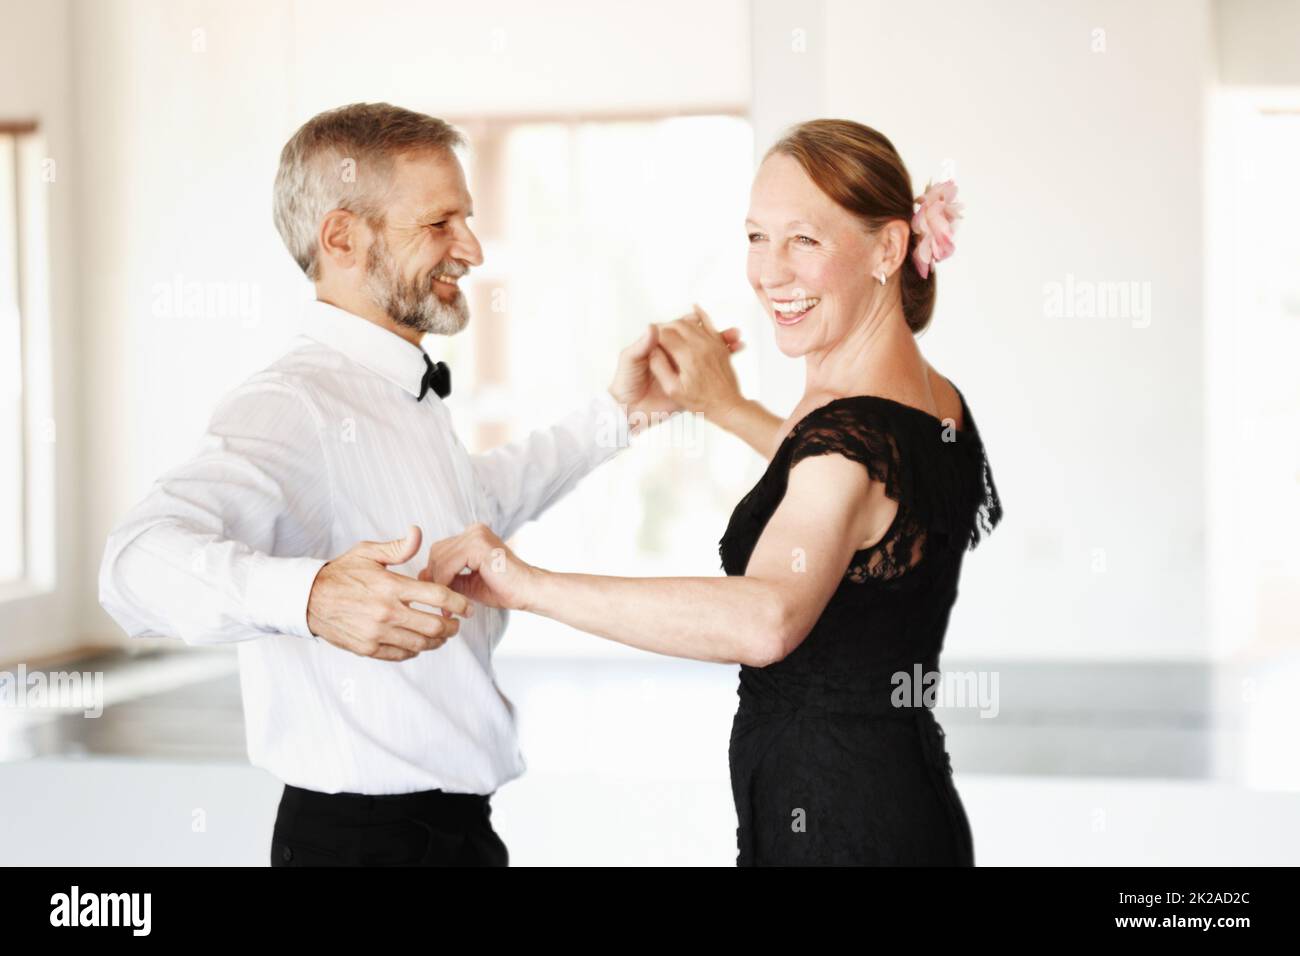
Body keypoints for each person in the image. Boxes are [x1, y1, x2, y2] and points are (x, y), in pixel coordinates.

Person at [97, 102, 746, 867]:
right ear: (342, 237)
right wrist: (309, 598)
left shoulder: (397, 391)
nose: (470, 248)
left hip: (454, 836)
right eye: (440, 223)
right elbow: (132, 564)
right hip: (366, 848)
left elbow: (482, 502)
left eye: (466, 219)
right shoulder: (292, 403)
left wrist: (619, 417)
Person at [422, 119, 1005, 866]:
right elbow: (849, 494)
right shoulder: (926, 400)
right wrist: (723, 406)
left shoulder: (847, 430)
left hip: (836, 826)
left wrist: (525, 583)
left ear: (889, 248)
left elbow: (766, 620)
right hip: (901, 801)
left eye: (803, 240)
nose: (768, 272)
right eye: (756, 237)